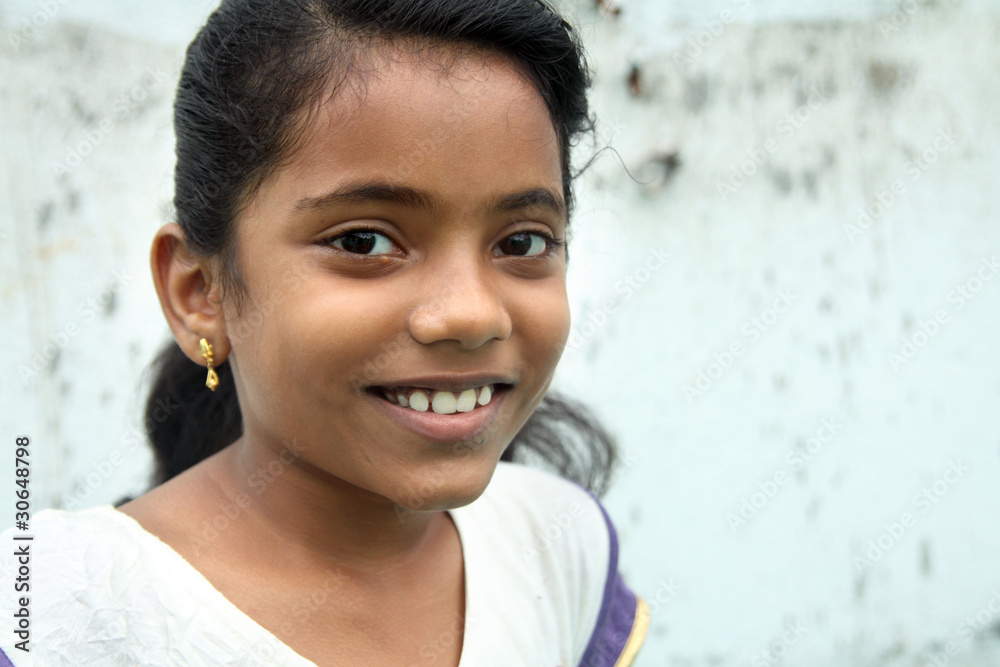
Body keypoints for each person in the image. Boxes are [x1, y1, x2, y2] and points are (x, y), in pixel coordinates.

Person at [0, 0, 649, 664]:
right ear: (200, 291)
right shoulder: (54, 617)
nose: (473, 314)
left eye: (522, 240)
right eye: (365, 240)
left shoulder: (559, 544)